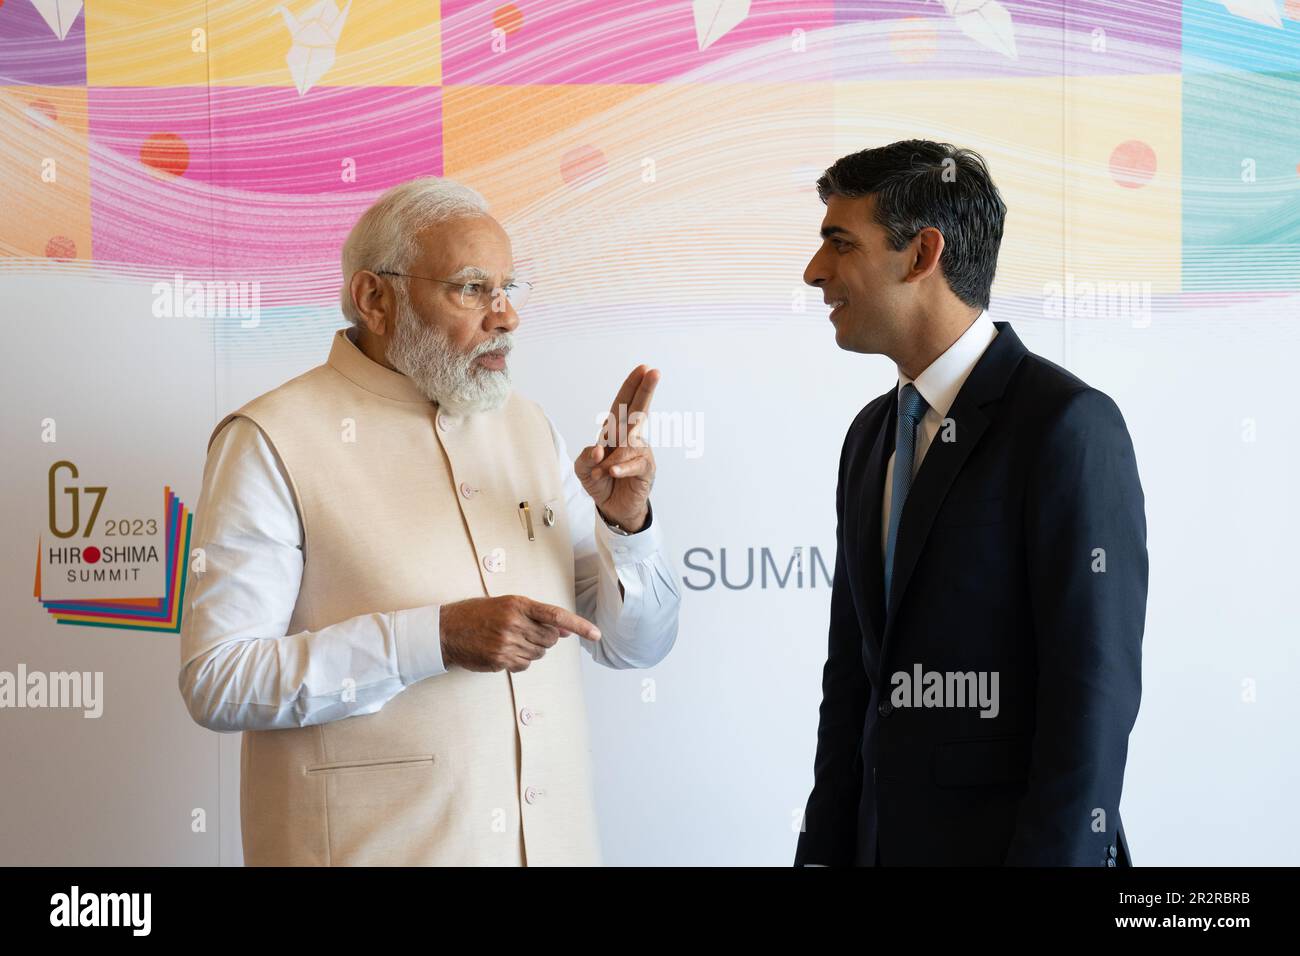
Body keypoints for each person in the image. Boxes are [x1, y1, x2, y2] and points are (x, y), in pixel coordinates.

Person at [178, 177, 681, 866]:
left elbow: (634, 647)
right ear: (375, 299)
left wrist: (629, 526)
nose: (506, 317)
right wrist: (433, 638)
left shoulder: (528, 426)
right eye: (472, 288)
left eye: (508, 288)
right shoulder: (271, 437)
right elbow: (221, 680)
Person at [795, 140, 1147, 866]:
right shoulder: (869, 437)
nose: (814, 272)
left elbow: (1092, 697)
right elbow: (852, 683)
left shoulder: (1066, 424)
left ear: (922, 253)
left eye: (839, 242)